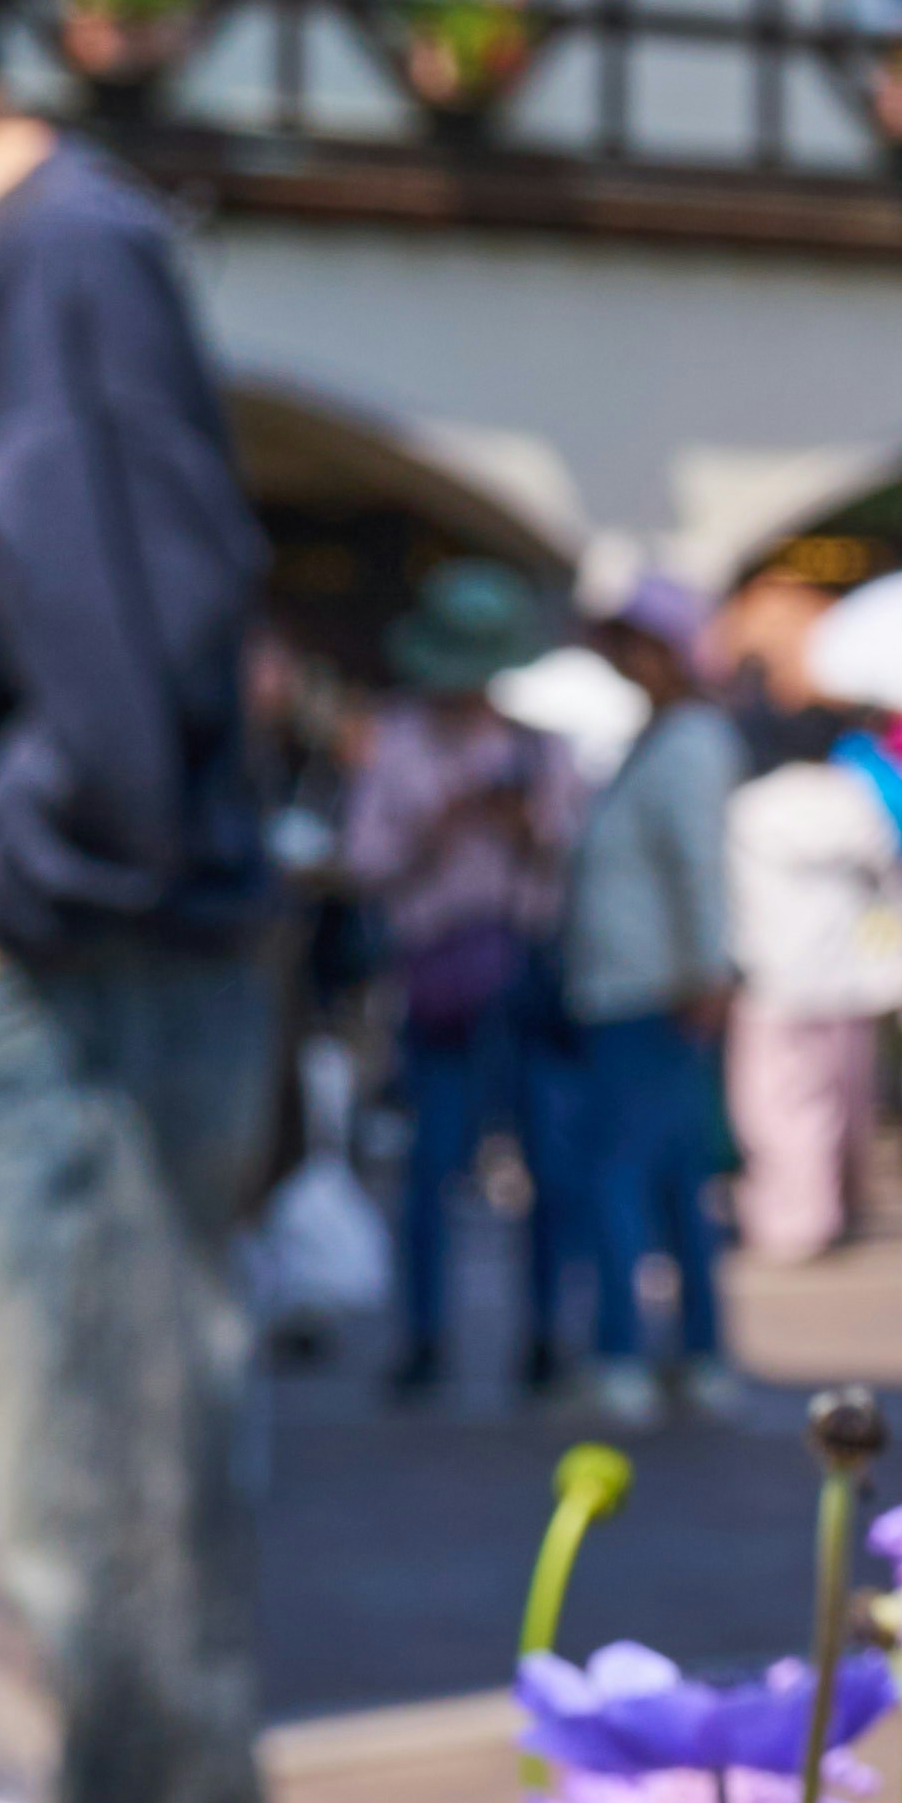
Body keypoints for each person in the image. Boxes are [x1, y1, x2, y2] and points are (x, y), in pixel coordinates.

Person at [0, 0, 284, 1803]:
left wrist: (9, 887)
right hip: (3, 961)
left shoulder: (63, 250)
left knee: (106, 1521)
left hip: (60, 980)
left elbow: (139, 639)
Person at [339, 564, 584, 1395]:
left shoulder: (537, 747)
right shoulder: (397, 739)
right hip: (436, 977)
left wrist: (521, 827)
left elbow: (570, 854)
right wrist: (437, 828)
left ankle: (547, 1338)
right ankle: (423, 1340)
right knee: (428, 1170)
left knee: (550, 1167)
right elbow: (363, 863)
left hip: (520, 972)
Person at [540, 573, 742, 1419]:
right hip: (634, 988)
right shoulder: (659, 739)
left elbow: (698, 869)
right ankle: (691, 1355)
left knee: (628, 1178)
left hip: (652, 994)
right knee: (666, 1179)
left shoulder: (687, 742)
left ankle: (633, 1355)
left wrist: (706, 973)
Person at [712, 571, 902, 1277]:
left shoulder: (752, 806)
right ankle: (837, 1208)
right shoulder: (856, 796)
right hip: (848, 980)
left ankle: (795, 1222)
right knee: (844, 1104)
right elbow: (896, 875)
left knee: (779, 1110)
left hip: (776, 978)